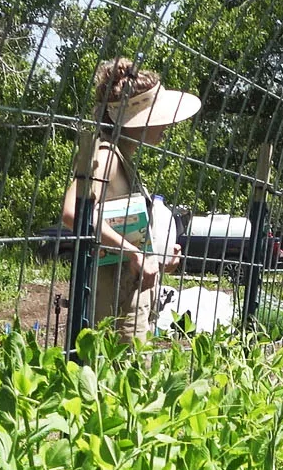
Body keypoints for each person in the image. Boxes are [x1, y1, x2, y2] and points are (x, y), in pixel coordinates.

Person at [61, 57, 200, 340]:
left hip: (125, 297)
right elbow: (73, 213)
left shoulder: (123, 158)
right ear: (136, 119)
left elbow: (118, 227)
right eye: (158, 115)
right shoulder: (107, 156)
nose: (166, 125)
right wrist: (135, 254)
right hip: (111, 306)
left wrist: (155, 258)